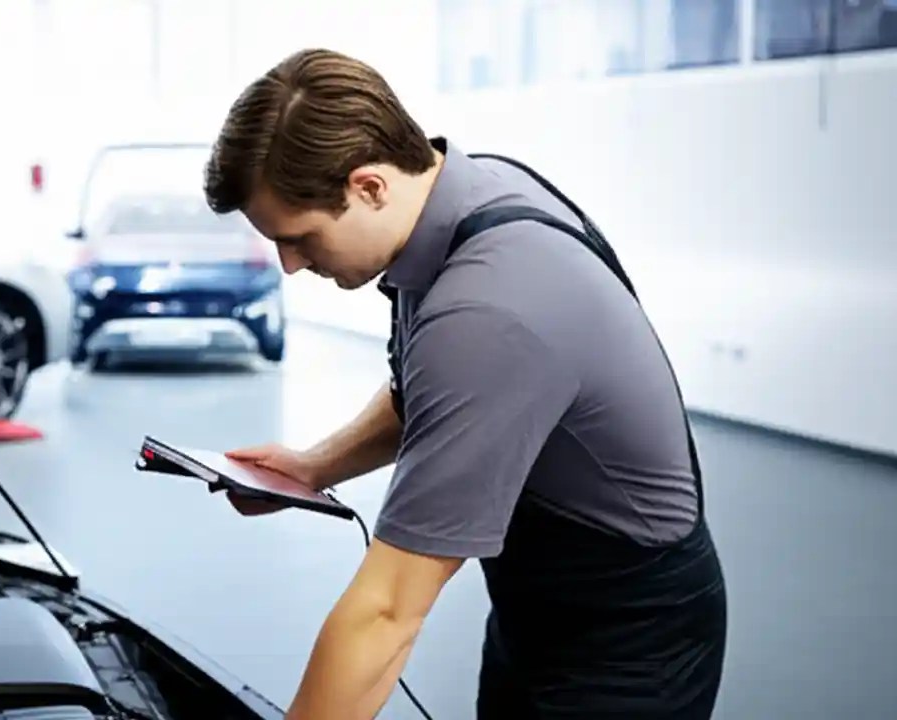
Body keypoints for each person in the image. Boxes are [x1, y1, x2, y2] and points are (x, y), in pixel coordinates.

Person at [202, 48, 728, 719]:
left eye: (301, 237)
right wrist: (316, 466)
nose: (289, 265)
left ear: (369, 187)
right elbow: (432, 393)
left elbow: (387, 613)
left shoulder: (490, 308)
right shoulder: (461, 198)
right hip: (537, 611)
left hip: (631, 645)